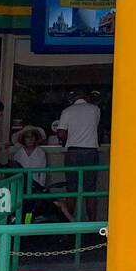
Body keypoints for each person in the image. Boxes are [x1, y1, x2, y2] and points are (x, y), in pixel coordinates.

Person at [57, 90, 101, 220]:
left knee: (72, 189)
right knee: (90, 190)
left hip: (73, 152)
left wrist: (68, 139)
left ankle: (70, 223)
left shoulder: (67, 111)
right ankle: (92, 224)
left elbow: (60, 133)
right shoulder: (95, 109)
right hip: (91, 151)